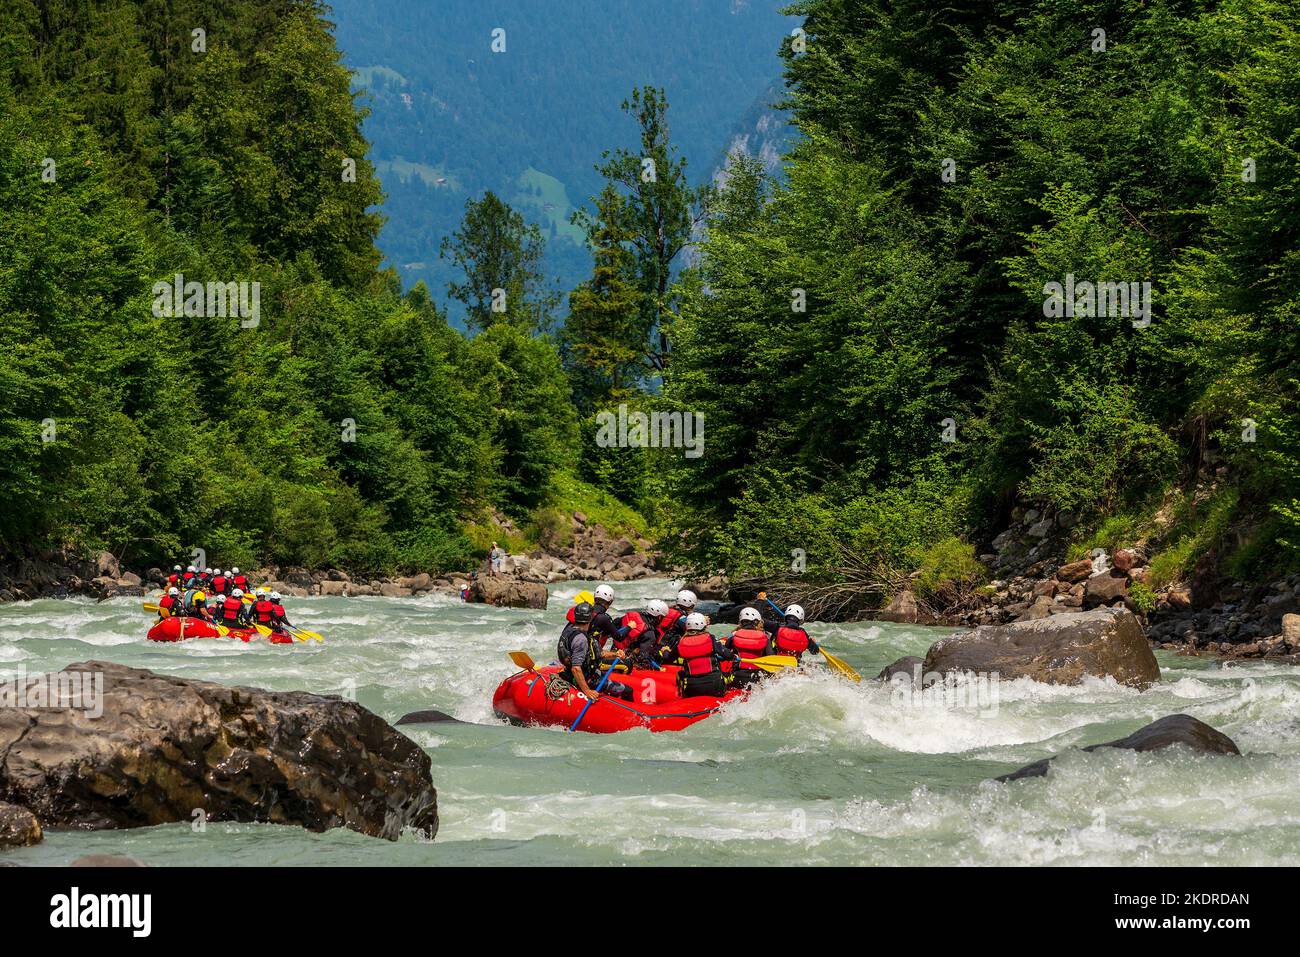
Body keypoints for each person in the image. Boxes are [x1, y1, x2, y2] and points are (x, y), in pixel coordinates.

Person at [556, 602, 632, 702]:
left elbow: (597, 653)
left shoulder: (571, 630)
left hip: (582, 673)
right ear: (590, 619)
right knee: (628, 690)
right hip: (587, 679)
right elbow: (576, 668)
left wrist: (615, 654)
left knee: (607, 677)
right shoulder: (581, 639)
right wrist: (587, 691)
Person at [656, 612, 738, 698]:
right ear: (703, 625)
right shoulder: (710, 638)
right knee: (726, 674)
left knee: (680, 674)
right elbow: (727, 655)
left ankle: (683, 696)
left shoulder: (681, 642)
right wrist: (734, 656)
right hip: (714, 685)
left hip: (692, 688)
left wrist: (665, 651)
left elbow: (668, 659)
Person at [724, 606, 772, 685]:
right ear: (756, 622)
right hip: (757, 678)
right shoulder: (765, 638)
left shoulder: (733, 637)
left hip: (737, 677)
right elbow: (770, 657)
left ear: (741, 622)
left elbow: (725, 653)